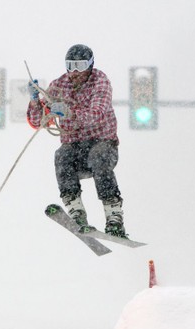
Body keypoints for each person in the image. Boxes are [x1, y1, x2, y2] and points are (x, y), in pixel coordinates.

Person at [27, 43, 128, 238]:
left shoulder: (100, 82)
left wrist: (70, 113)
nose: (74, 72)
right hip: (76, 150)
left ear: (90, 65)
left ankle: (114, 217)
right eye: (70, 66)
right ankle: (76, 212)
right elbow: (38, 122)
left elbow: (97, 113)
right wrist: (34, 101)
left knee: (99, 156)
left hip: (102, 144)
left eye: (80, 66)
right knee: (62, 155)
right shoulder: (59, 85)